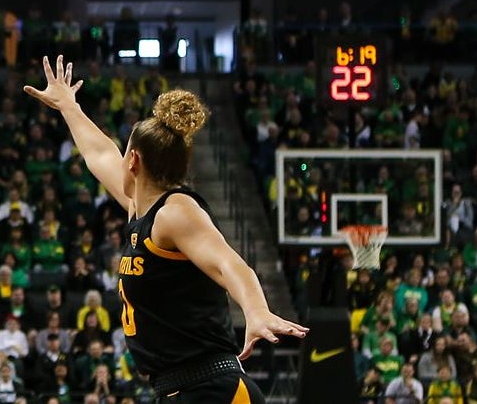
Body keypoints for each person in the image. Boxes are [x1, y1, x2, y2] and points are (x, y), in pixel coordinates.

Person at [23, 56, 307, 402]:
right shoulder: (140, 208)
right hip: (178, 390)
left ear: (135, 160)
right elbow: (99, 153)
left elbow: (229, 264)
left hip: (213, 389)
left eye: (125, 150)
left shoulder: (175, 212)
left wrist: (256, 309)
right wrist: (69, 106)